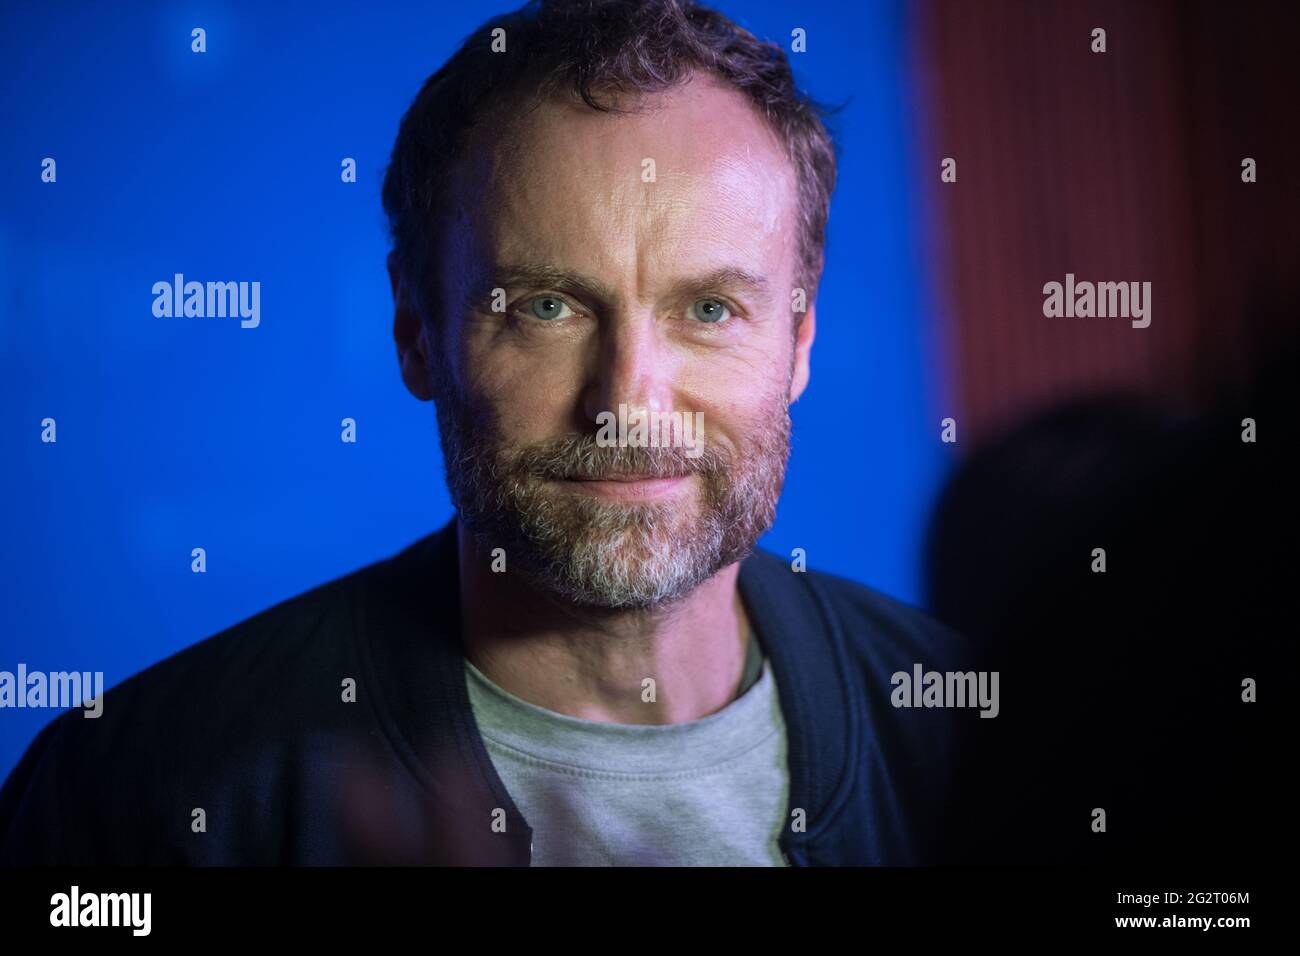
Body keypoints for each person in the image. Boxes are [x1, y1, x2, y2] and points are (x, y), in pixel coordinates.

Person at [0, 0, 973, 866]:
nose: (629, 401)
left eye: (710, 310)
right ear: (416, 333)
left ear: (798, 341)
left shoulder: (972, 733)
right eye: (547, 306)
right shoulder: (144, 792)